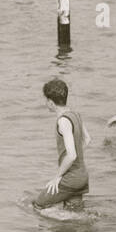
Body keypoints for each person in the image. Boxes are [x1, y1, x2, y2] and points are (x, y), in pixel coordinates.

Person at [32, 78, 90, 211]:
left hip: (71, 178)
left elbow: (71, 155)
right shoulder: (76, 114)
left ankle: (61, 221)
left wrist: (57, 177)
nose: (46, 103)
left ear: (51, 103)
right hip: (82, 176)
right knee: (74, 213)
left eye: (46, 100)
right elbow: (87, 139)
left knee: (38, 205)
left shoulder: (63, 121)